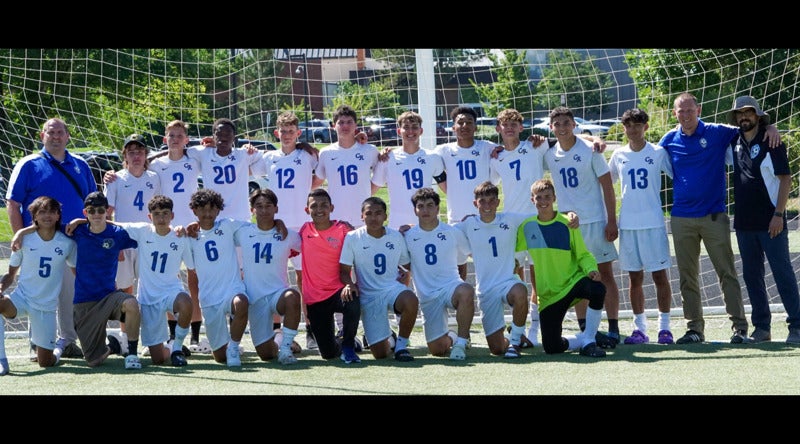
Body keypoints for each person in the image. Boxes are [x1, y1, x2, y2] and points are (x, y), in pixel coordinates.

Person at [658, 92, 779, 344]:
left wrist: (771, 126)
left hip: (714, 216)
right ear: (674, 114)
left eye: (690, 110)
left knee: (727, 273)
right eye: (681, 111)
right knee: (687, 276)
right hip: (681, 218)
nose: (686, 115)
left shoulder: (718, 132)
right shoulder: (668, 140)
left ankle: (739, 328)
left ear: (699, 110)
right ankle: (694, 329)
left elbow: (749, 127)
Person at [14, 191, 143, 369]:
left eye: (100, 210)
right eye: (92, 211)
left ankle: (132, 353)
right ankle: (112, 346)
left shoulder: (118, 234)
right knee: (93, 361)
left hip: (109, 297)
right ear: (85, 213)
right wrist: (20, 232)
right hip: (84, 302)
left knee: (132, 304)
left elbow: (148, 235)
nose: (96, 214)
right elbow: (45, 225)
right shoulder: (75, 231)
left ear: (107, 211)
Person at [5, 117, 96, 360]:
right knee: (38, 290)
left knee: (70, 291)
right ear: (41, 136)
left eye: (60, 132)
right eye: (50, 132)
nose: (56, 136)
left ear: (68, 136)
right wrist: (21, 236)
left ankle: (67, 339)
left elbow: (92, 202)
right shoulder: (28, 164)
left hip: (71, 241)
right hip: (38, 241)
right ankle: (38, 342)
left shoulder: (80, 165)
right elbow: (13, 203)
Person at [78, 195, 195, 366]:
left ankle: (177, 348)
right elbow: (108, 223)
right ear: (149, 217)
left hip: (171, 291)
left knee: (186, 301)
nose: (161, 218)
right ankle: (169, 348)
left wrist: (190, 229)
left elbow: (191, 267)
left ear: (172, 215)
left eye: (165, 213)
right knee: (158, 359)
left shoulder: (180, 237)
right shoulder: (142, 231)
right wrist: (79, 222)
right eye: (156, 214)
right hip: (148, 298)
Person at [542, 106, 620, 347]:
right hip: (568, 226)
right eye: (557, 124)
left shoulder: (591, 150)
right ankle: (588, 330)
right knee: (578, 278)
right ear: (551, 127)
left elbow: (608, 187)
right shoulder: (548, 153)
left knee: (605, 274)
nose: (562, 127)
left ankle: (614, 327)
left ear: (574, 124)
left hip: (594, 222)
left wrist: (611, 220)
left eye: (567, 123)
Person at [727, 95, 800, 344]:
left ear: (758, 116)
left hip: (771, 221)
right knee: (752, 275)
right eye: (740, 113)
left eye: (748, 112)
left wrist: (778, 214)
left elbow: (785, 179)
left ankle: (797, 326)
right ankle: (762, 328)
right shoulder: (734, 140)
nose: (743, 117)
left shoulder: (771, 140)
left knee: (782, 273)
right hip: (744, 223)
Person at [250, 111, 320, 350]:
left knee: (304, 280)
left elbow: (322, 169)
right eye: (283, 131)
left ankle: (311, 330)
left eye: (292, 131)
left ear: (298, 133)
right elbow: (245, 167)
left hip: (301, 228)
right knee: (273, 279)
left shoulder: (308, 155)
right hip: (274, 227)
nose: (287, 135)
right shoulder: (268, 157)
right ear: (276, 133)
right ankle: (276, 331)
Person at [515, 179, 608, 358]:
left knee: (597, 289)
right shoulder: (527, 227)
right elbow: (515, 257)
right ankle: (580, 340)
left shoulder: (568, 223)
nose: (543, 201)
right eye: (539, 197)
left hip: (573, 282)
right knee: (552, 347)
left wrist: (591, 270)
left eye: (547, 197)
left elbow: (583, 254)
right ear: (532, 200)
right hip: (549, 295)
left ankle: (589, 341)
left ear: (554, 198)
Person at [607, 108, 675, 345]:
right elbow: (607, 184)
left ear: (646, 127)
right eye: (628, 125)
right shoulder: (618, 155)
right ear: (624, 128)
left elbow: (680, 175)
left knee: (660, 276)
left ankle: (665, 328)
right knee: (634, 278)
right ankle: (639, 329)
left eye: (637, 125)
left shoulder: (658, 152)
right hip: (629, 225)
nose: (633, 130)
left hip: (653, 223)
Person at [0, 196, 77, 375]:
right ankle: (2, 360)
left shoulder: (67, 244)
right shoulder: (24, 241)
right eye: (42, 212)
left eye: (51, 211)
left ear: (58, 215)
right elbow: (11, 275)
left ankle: (59, 347)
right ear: (34, 217)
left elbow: (76, 274)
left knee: (46, 363)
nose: (47, 216)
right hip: (22, 298)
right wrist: (1, 287)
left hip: (46, 307)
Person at [147, 120, 205, 352]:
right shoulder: (157, 164)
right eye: (171, 135)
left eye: (180, 135)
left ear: (186, 139)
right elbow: (136, 162)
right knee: (169, 280)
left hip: (190, 229)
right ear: (165, 139)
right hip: (167, 229)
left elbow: (211, 153)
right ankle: (172, 335)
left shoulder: (194, 160)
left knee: (194, 282)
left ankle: (195, 336)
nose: (175, 139)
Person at [339, 196, 419, 362]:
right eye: (369, 213)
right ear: (362, 216)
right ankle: (390, 338)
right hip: (369, 296)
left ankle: (401, 346)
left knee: (411, 299)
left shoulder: (396, 236)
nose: (373, 218)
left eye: (378, 213)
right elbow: (344, 271)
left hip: (391, 289)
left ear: (385, 216)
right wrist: (349, 284)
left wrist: (406, 279)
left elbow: (407, 265)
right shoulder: (353, 237)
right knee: (380, 354)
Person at [454, 182, 529, 358]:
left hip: (508, 282)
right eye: (482, 201)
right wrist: (410, 228)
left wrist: (568, 215)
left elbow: (540, 216)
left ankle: (516, 341)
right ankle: (510, 339)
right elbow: (438, 229)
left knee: (520, 290)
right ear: (475, 204)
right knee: (496, 349)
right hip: (486, 290)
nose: (487, 206)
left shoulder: (510, 219)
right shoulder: (468, 224)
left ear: (498, 202)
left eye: (491, 201)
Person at [404, 187, 475, 360]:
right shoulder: (407, 235)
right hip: (427, 295)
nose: (425, 210)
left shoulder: (452, 232)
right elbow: (403, 264)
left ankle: (461, 343)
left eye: (430, 205)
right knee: (437, 350)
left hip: (450, 287)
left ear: (438, 208)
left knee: (465, 290)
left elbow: (473, 253)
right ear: (415, 210)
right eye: (421, 206)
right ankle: (453, 336)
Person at [234, 189, 303, 365]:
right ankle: (279, 339)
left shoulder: (288, 235)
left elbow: (311, 243)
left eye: (268, 206)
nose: (264, 211)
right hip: (255, 299)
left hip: (277, 294)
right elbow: (216, 231)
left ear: (276, 208)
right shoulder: (243, 231)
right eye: (259, 206)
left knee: (292, 296)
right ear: (252, 210)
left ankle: (286, 349)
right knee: (266, 355)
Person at [186, 188, 250, 367]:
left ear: (218, 210)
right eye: (202, 209)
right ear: (195, 211)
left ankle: (234, 346)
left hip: (231, 290)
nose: (207, 213)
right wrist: (180, 229)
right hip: (209, 298)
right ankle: (224, 347)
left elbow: (258, 226)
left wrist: (278, 223)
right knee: (220, 358)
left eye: (211, 209)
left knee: (242, 302)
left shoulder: (228, 225)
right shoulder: (189, 236)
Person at [434, 105, 499, 280]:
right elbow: (430, 166)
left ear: (476, 127)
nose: (464, 126)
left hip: (483, 216)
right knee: (458, 267)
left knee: (488, 263)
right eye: (460, 122)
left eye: (469, 122)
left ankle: (488, 299)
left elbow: (510, 151)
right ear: (453, 127)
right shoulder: (443, 150)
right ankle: (462, 304)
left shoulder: (488, 147)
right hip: (457, 218)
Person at [298, 188, 361, 363]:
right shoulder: (304, 230)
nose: (319, 209)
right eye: (314, 206)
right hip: (315, 299)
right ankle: (339, 343)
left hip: (338, 292)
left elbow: (363, 240)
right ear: (307, 210)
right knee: (327, 354)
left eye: (324, 205)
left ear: (332, 207)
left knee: (353, 299)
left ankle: (348, 344)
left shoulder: (343, 229)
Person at [104, 133, 162, 297]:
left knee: (151, 288)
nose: (136, 156)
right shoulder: (115, 179)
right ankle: (128, 324)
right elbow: (107, 214)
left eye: (140, 152)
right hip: (124, 240)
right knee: (124, 290)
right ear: (125, 155)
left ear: (146, 154)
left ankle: (151, 323)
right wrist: (115, 244)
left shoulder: (154, 178)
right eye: (131, 152)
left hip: (147, 240)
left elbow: (158, 210)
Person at [371, 111, 446, 230]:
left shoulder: (432, 157)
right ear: (399, 131)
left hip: (426, 224)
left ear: (421, 131)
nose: (410, 131)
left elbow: (447, 189)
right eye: (406, 127)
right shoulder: (387, 158)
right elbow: (370, 190)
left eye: (415, 127)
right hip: (397, 224)